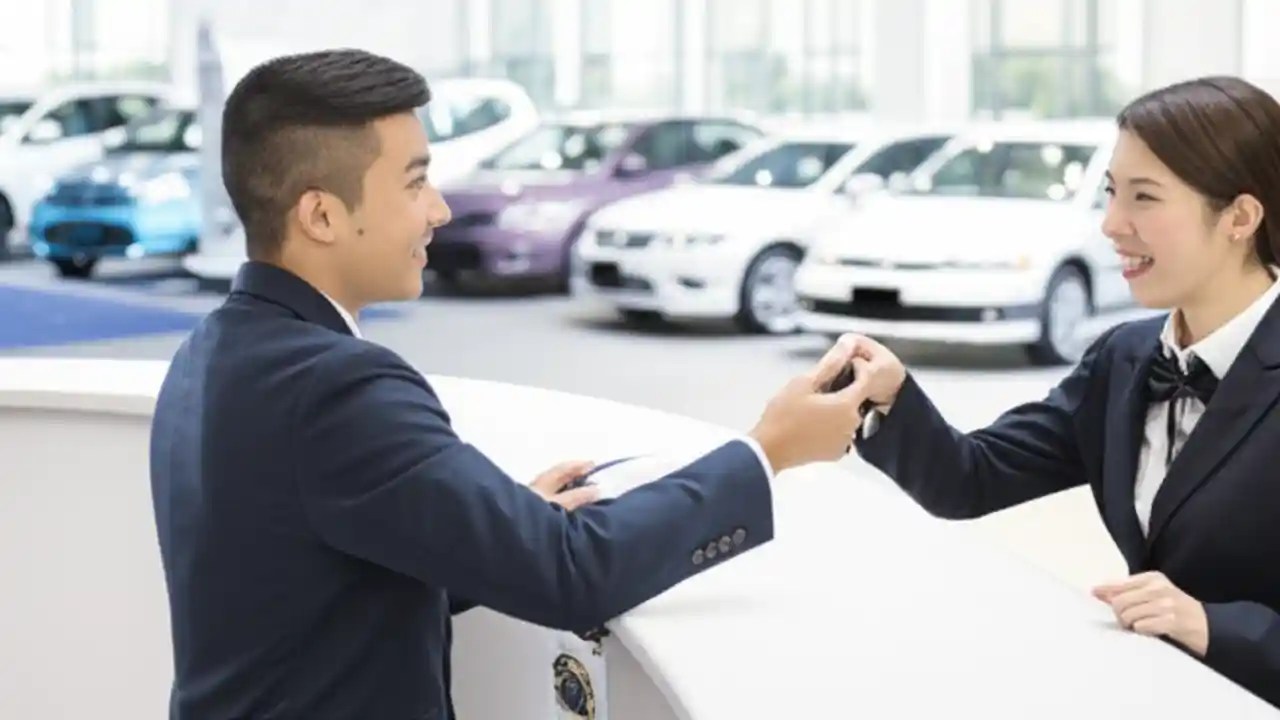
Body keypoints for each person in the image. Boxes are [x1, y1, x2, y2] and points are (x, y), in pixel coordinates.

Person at [147, 49, 874, 719]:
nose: (440, 208)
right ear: (323, 215)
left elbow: (304, 574)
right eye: (415, 182)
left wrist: (492, 525)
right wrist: (768, 451)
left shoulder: (210, 353)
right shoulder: (336, 385)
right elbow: (573, 571)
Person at [847, 75, 1280, 707]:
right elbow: (971, 477)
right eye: (1111, 192)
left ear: (1240, 217)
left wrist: (1213, 627)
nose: (1111, 224)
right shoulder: (1124, 358)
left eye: (1145, 198)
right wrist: (888, 394)